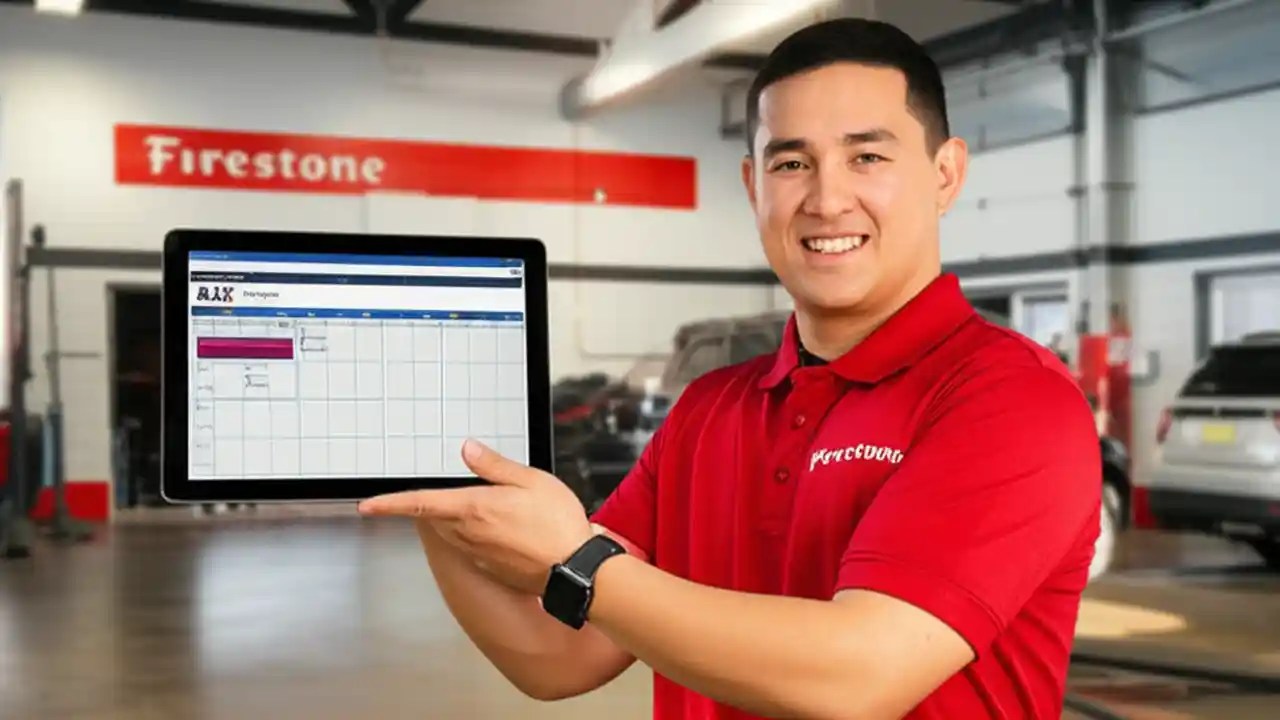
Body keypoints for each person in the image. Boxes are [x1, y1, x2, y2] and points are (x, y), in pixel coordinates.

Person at [359, 17, 1102, 720]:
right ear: (754, 185)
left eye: (867, 156)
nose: (826, 197)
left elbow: (861, 674)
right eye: (791, 162)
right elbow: (560, 656)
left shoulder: (1013, 399)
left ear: (946, 173)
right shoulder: (709, 411)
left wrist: (577, 561)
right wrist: (433, 479)